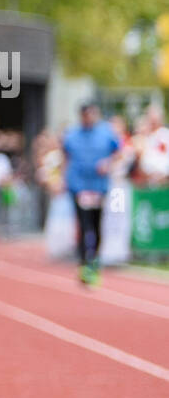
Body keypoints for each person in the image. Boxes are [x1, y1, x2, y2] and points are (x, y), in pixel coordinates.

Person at [62, 102, 120, 286]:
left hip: (98, 186)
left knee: (96, 225)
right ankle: (83, 263)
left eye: (93, 114)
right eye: (87, 115)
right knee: (83, 224)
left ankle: (93, 260)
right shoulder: (71, 135)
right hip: (78, 186)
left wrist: (108, 163)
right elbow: (65, 157)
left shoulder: (107, 133)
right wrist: (63, 179)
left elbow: (119, 152)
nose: (90, 118)